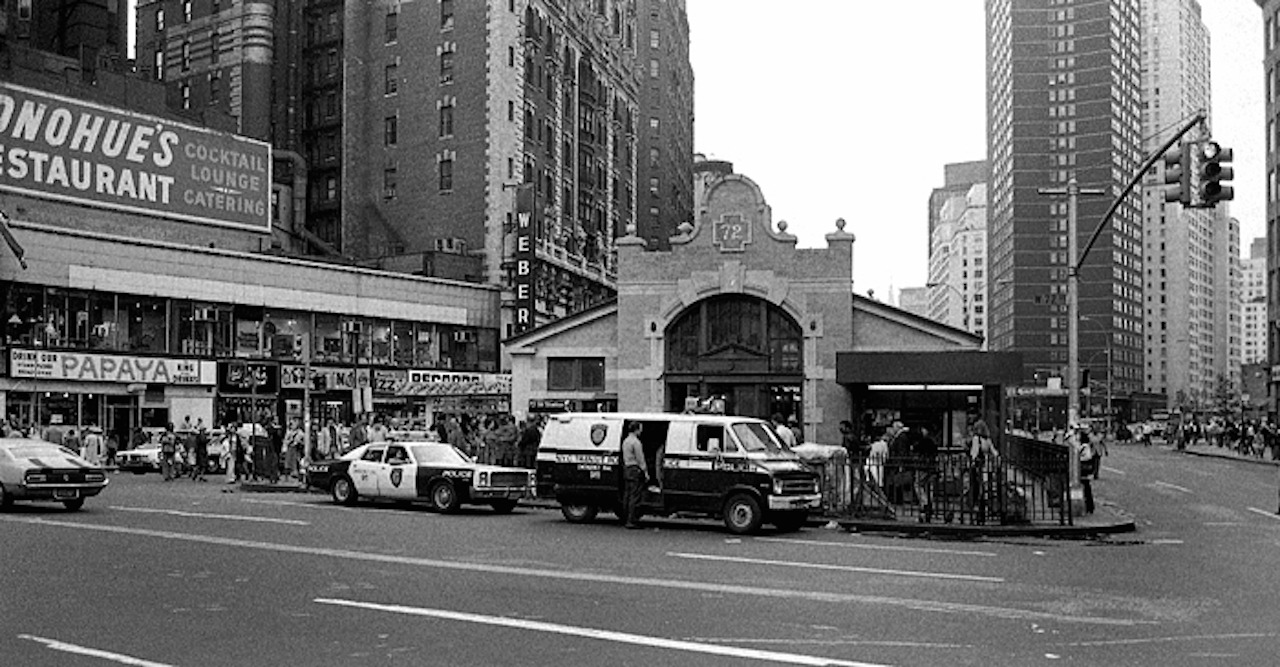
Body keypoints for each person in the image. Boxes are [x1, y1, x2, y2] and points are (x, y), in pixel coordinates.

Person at [621, 421, 647, 529]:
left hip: (627, 467)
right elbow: (640, 459)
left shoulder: (626, 441)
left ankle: (625, 517)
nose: (641, 431)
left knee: (627, 494)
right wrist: (645, 472)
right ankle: (632, 520)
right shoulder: (636, 443)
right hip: (634, 469)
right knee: (635, 495)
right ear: (636, 430)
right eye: (640, 428)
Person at [913, 425, 939, 522]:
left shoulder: (921, 442)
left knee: (918, 484)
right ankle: (929, 504)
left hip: (922, 467)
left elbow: (916, 451)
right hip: (931, 467)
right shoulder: (932, 442)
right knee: (930, 487)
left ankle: (924, 503)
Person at [1075, 424, 1096, 515]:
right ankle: (1089, 506)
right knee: (1086, 487)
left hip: (1084, 468)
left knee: (1086, 487)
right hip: (1085, 468)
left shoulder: (1084, 447)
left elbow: (1086, 457)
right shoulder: (1086, 446)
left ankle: (1089, 506)